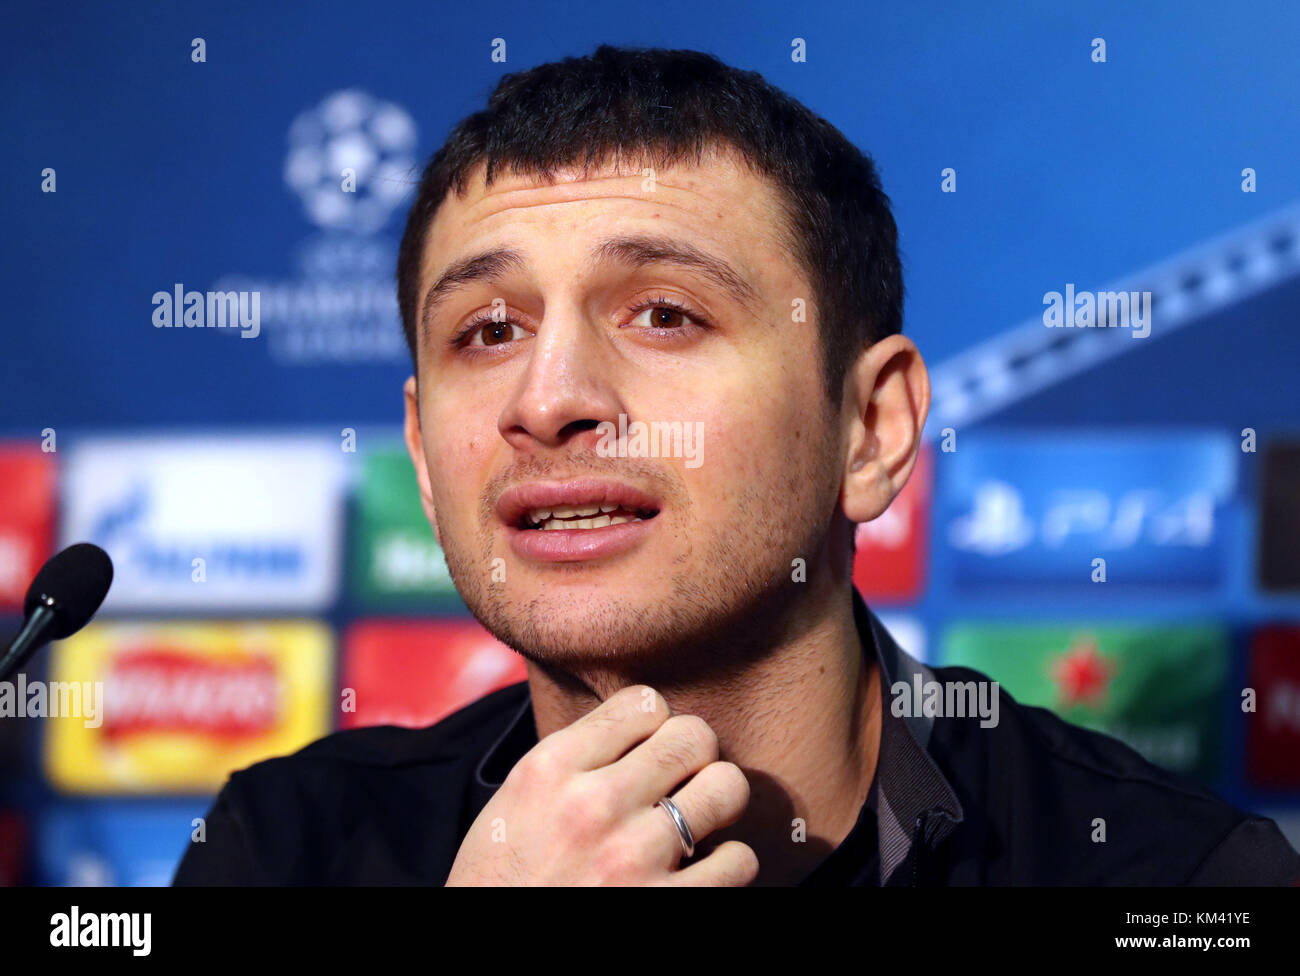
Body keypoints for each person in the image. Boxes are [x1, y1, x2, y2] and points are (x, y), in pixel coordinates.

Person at [174, 44, 1300, 886]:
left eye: (663, 313)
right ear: (422, 457)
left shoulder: (1176, 880)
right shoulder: (280, 850)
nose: (547, 400)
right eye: (488, 331)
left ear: (870, 429)